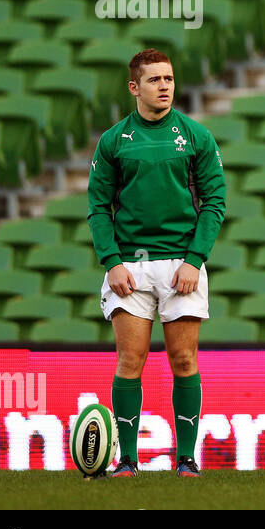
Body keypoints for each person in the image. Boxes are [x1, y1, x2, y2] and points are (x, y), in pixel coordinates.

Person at [87, 48, 226, 478]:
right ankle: (127, 461)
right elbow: (98, 207)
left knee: (184, 360)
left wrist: (194, 260)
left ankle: (186, 460)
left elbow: (215, 202)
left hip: (181, 265)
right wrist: (112, 263)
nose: (164, 86)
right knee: (131, 360)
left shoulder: (196, 136)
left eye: (168, 79)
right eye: (154, 80)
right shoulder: (114, 140)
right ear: (134, 87)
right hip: (130, 267)